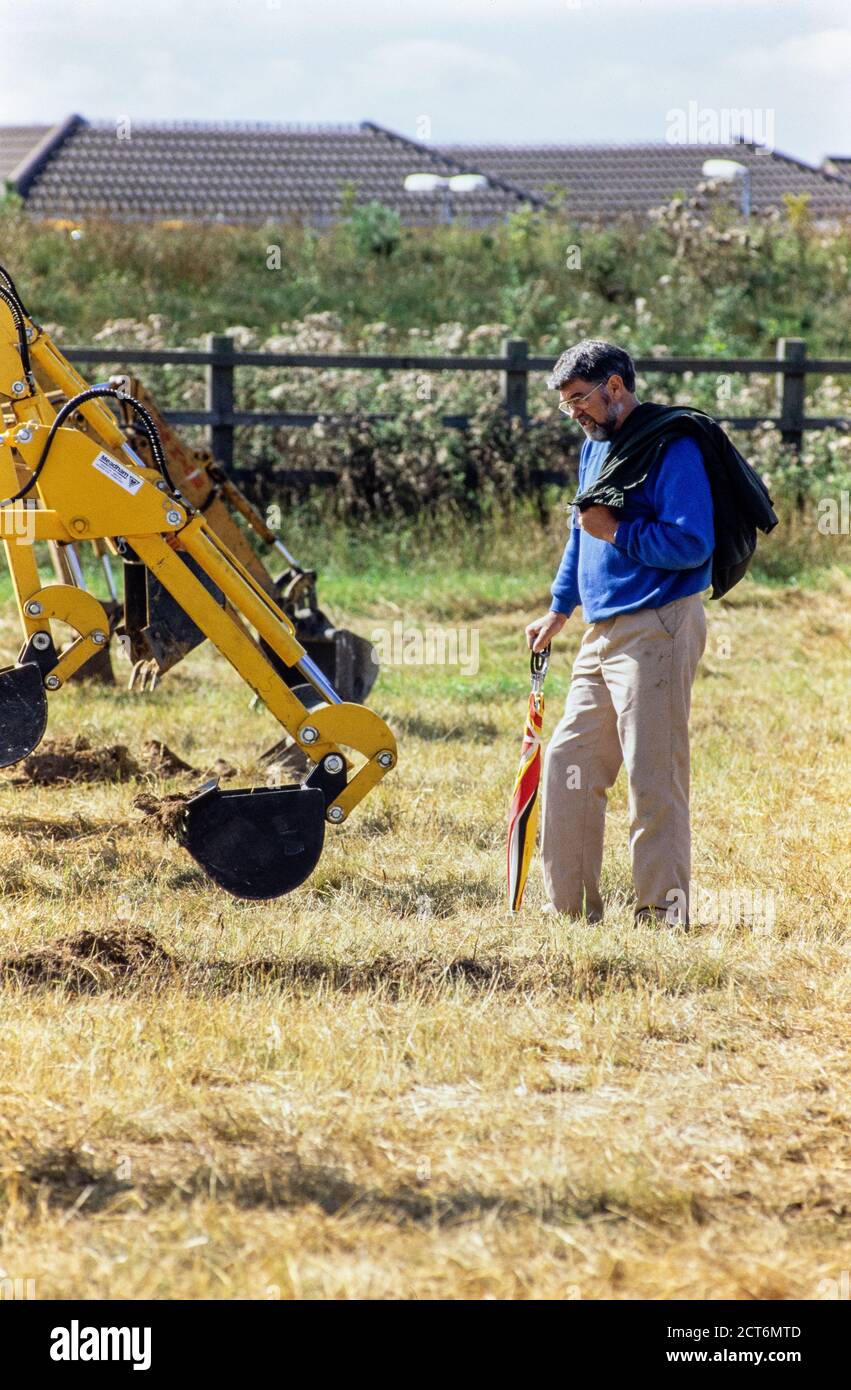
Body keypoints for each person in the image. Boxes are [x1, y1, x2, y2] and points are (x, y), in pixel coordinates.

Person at [525, 340, 714, 925]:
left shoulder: (671, 445)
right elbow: (583, 530)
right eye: (565, 405)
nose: (574, 413)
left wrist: (617, 534)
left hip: (658, 625)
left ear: (615, 386)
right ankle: (573, 915)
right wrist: (560, 608)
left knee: (653, 775)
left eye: (580, 399)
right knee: (567, 762)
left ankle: (661, 915)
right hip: (600, 632)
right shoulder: (595, 445)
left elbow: (691, 542)